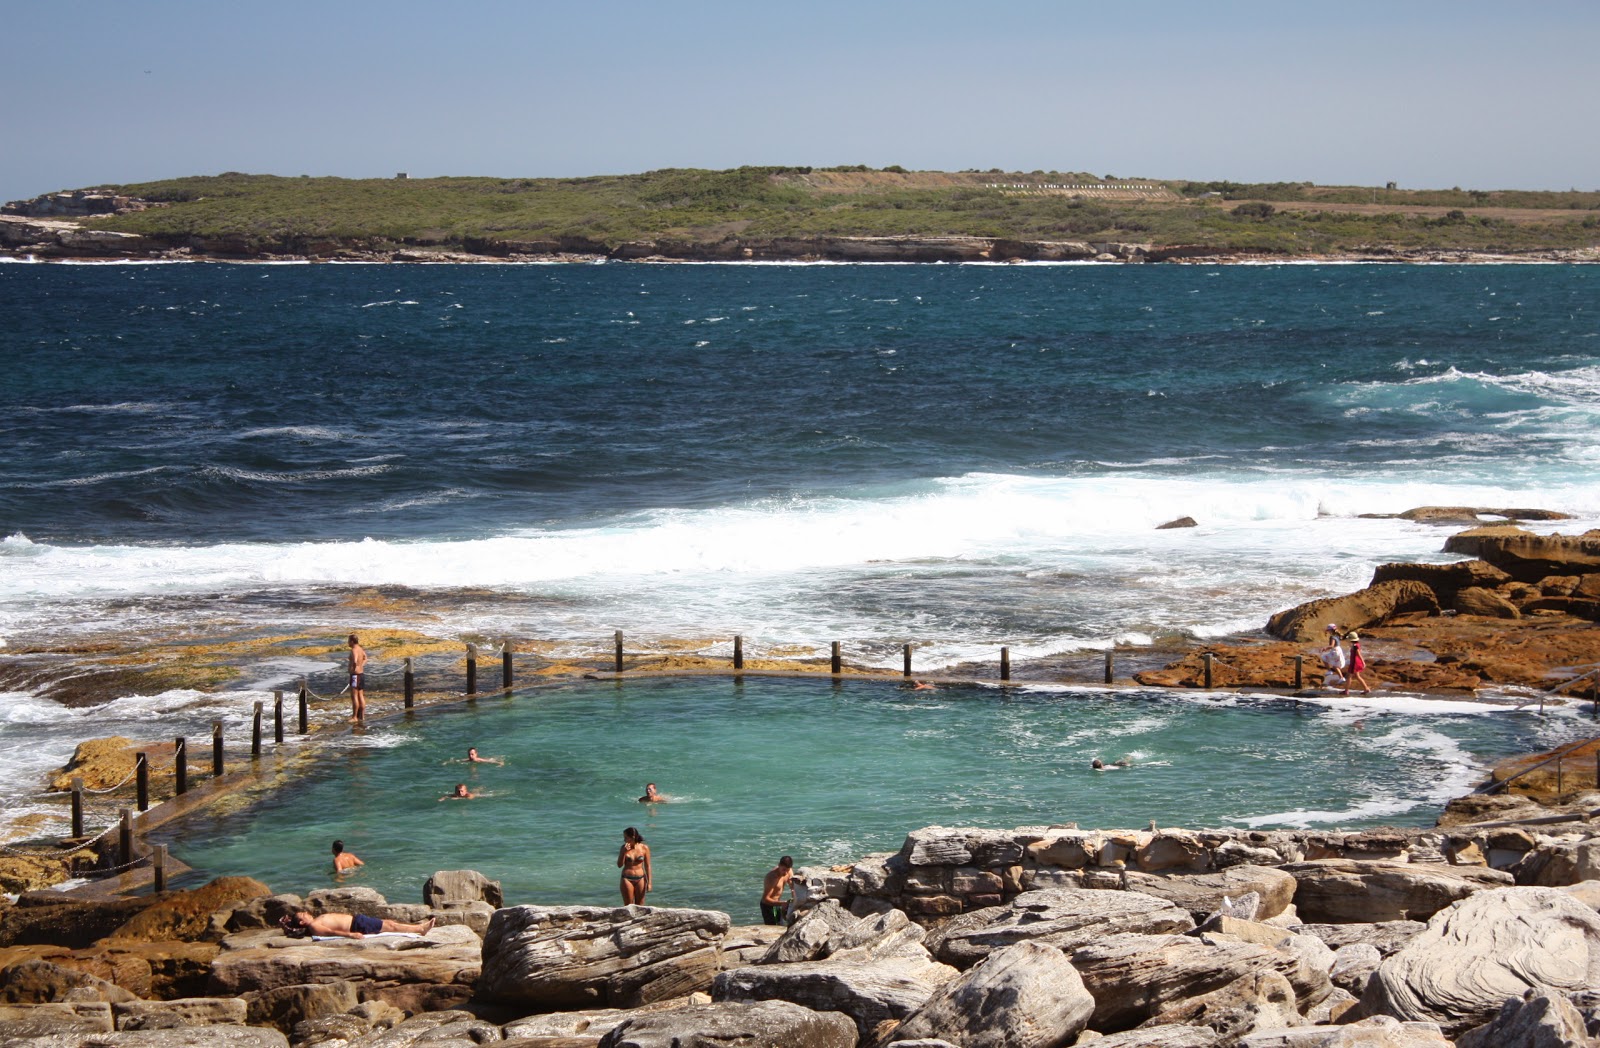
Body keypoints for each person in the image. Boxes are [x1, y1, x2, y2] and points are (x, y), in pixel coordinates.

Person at [280, 910, 434, 939]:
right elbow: (330, 932)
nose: (307, 912)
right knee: (390, 925)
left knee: (388, 923)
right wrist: (350, 935)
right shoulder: (314, 926)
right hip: (357, 926)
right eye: (303, 915)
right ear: (302, 922)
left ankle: (419, 928)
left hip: (357, 921)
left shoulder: (314, 921)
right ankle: (421, 929)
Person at [618, 826, 651, 905]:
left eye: (626, 838)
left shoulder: (644, 848)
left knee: (640, 905)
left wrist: (649, 883)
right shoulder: (624, 848)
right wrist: (624, 852)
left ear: (633, 837)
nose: (624, 840)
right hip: (627, 879)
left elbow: (647, 866)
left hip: (641, 879)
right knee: (628, 904)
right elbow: (619, 865)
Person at [761, 856, 795, 925]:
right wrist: (782, 903)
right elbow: (765, 899)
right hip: (768, 906)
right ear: (779, 865)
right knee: (773, 928)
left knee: (781, 924)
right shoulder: (772, 877)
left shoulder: (789, 871)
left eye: (787, 870)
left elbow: (793, 887)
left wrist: (795, 900)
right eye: (783, 869)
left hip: (778, 903)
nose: (785, 873)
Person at [1342, 631, 1373, 695]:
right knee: (1357, 676)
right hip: (1355, 662)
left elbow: (1358, 654)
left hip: (1354, 663)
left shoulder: (1355, 646)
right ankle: (1366, 688)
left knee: (1349, 676)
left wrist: (1363, 661)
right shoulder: (1356, 645)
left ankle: (1346, 690)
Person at [348, 634, 367, 722]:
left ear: (352, 641)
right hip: (361, 674)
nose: (348, 643)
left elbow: (355, 660)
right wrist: (361, 666)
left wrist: (354, 668)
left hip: (355, 675)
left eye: (348, 641)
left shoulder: (354, 650)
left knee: (354, 696)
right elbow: (365, 658)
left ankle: (355, 716)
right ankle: (362, 716)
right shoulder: (360, 649)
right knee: (360, 695)